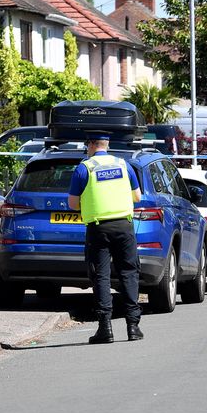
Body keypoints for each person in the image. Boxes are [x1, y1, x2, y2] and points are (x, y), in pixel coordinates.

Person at [69, 130, 144, 344]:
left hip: (98, 228)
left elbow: (73, 204)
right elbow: (137, 196)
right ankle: (133, 327)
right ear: (107, 145)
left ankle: (105, 328)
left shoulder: (85, 168)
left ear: (91, 145)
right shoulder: (124, 164)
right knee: (129, 273)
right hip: (124, 226)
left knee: (100, 276)